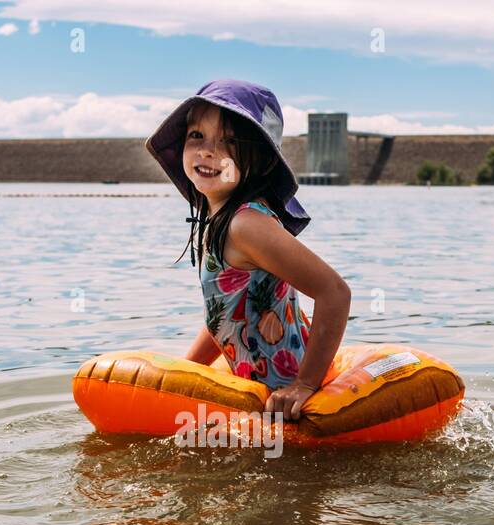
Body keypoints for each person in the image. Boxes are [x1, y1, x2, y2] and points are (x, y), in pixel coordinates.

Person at [145, 79, 351, 421]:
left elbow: (335, 292)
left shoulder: (246, 225)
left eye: (229, 141)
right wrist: (185, 372)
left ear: (261, 160)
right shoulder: (218, 219)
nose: (208, 151)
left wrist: (304, 385)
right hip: (259, 390)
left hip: (288, 399)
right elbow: (222, 316)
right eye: (197, 136)